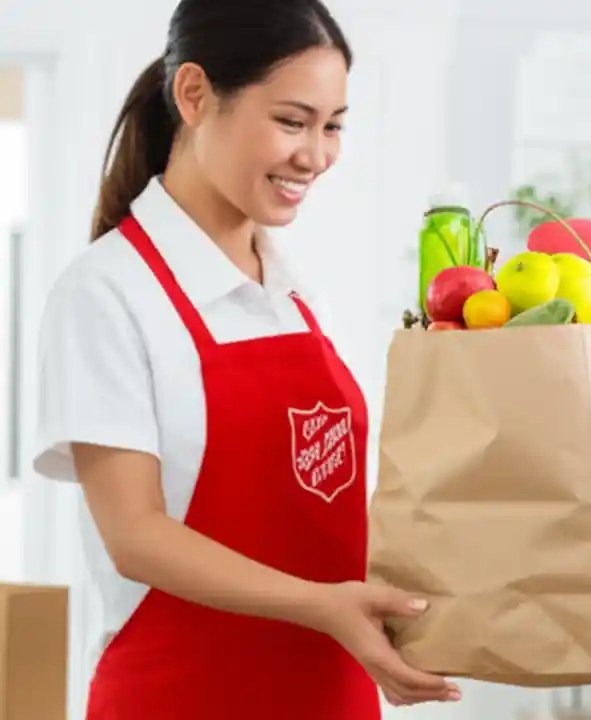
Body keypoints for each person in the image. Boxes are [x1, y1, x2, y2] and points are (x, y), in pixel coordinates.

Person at [31, 1, 460, 717]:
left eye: (334, 126)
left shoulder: (292, 293)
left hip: (332, 695)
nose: (316, 156)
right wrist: (324, 606)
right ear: (194, 95)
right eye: (292, 121)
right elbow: (134, 534)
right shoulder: (107, 291)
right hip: (184, 697)